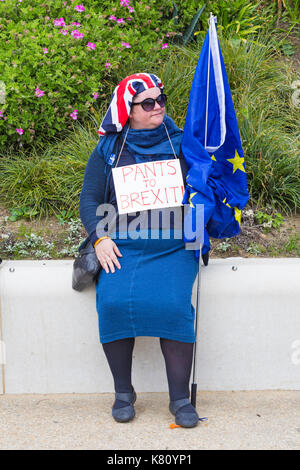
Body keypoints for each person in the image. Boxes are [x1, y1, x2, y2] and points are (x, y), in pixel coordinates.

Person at [79, 73, 200, 428]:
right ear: (128, 110)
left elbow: (203, 189)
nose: (158, 106)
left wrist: (200, 219)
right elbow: (90, 201)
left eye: (161, 99)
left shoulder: (182, 144)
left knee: (173, 305)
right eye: (148, 103)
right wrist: (100, 239)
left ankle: (179, 399)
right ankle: (123, 393)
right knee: (113, 301)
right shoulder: (109, 149)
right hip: (123, 243)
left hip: (174, 244)